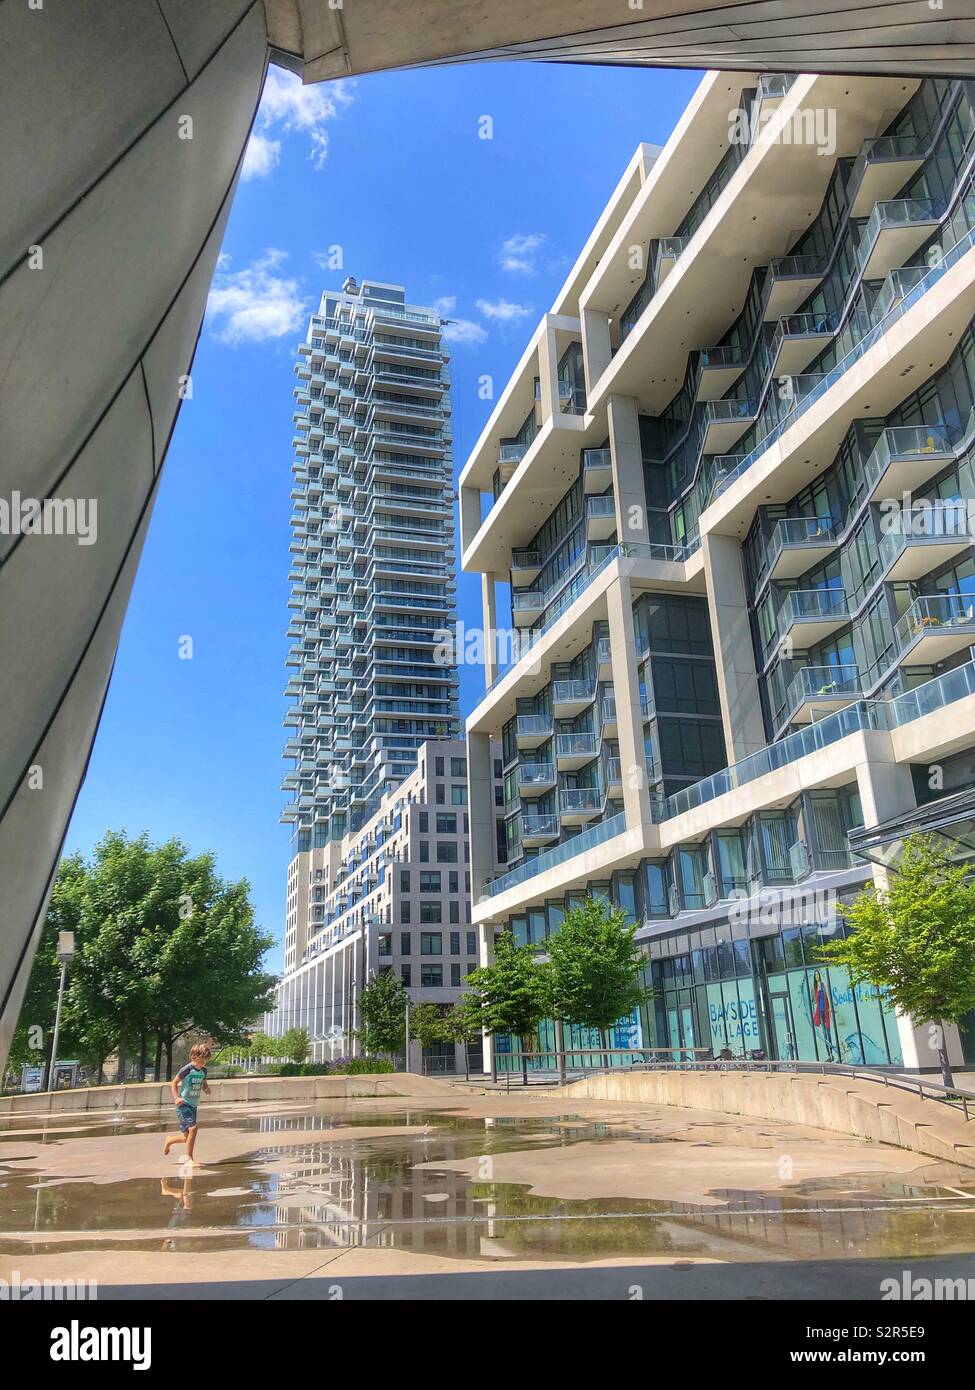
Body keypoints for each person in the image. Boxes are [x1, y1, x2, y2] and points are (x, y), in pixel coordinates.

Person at [163, 1043, 212, 1163]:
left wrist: (206, 1088)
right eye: (201, 1060)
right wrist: (176, 1098)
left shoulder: (204, 1071)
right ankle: (189, 1159)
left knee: (186, 1137)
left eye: (205, 1061)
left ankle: (169, 1141)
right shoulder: (187, 1069)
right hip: (183, 1104)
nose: (203, 1063)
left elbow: (204, 1083)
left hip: (194, 1105)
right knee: (194, 1129)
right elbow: (174, 1082)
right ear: (194, 1057)